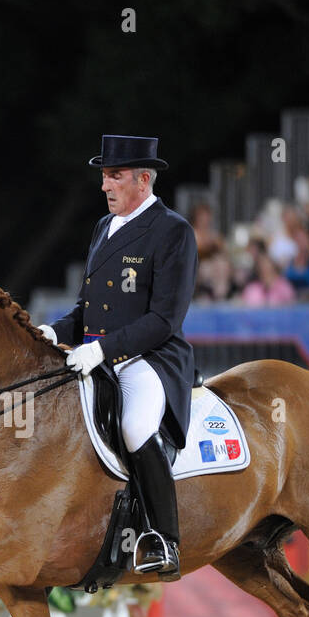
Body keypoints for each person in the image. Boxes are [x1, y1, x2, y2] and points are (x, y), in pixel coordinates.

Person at [39, 135, 197, 580]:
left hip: (151, 358)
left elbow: (165, 319)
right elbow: (87, 310)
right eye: (104, 176)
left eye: (115, 176)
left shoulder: (173, 231)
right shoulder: (103, 228)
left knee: (134, 425)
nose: (105, 185)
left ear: (143, 180)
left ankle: (164, 540)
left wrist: (103, 349)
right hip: (97, 356)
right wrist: (55, 331)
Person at [190, 202, 233, 300]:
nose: (204, 220)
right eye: (202, 217)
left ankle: (221, 297)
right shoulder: (191, 232)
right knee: (208, 268)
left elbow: (224, 252)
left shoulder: (213, 234)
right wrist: (208, 247)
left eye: (207, 216)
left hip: (215, 267)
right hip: (198, 268)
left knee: (222, 265)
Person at [241, 239, 296, 306]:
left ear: (273, 266)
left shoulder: (285, 287)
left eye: (267, 264)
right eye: (262, 264)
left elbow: (291, 308)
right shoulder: (251, 289)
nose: (265, 268)